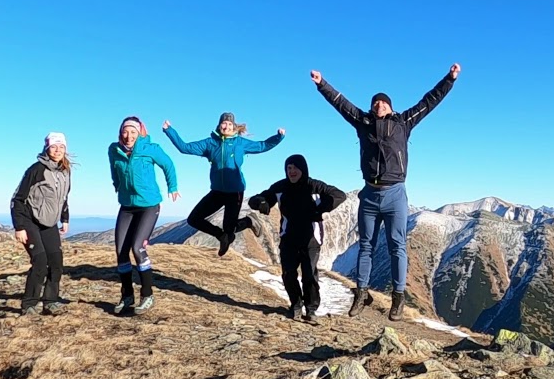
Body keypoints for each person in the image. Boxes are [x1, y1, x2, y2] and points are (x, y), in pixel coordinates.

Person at [311, 63, 460, 320]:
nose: (379, 104)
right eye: (375, 102)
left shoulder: (404, 122)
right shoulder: (363, 122)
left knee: (397, 247)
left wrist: (450, 78)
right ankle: (361, 294)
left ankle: (398, 298)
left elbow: (430, 101)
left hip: (395, 195)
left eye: (383, 102)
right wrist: (322, 84)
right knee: (366, 246)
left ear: (390, 107)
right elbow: (341, 104)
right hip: (369, 195)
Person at [162, 113, 285, 256]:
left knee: (229, 229)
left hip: (235, 192)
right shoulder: (210, 143)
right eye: (224, 123)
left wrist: (278, 137)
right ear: (219, 125)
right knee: (194, 219)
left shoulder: (240, 143)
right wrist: (169, 130)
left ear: (234, 127)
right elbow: (184, 148)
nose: (226, 126)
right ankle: (221, 236)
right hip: (217, 192)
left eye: (229, 124)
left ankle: (248, 221)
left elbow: (262, 146)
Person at [248, 154, 346, 323]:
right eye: (289, 168)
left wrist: (322, 208)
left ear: (303, 169)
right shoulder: (280, 187)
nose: (292, 171)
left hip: (311, 239)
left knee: (309, 275)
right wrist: (261, 203)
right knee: (288, 273)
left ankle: (311, 309)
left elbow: (339, 195)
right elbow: (257, 199)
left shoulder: (315, 186)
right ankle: (295, 305)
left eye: (295, 168)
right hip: (289, 237)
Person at [108, 116, 179, 316]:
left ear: (140, 132)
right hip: (127, 206)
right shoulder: (114, 150)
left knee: (137, 248)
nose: (129, 136)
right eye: (125, 131)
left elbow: (168, 165)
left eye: (133, 132)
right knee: (121, 252)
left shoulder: (150, 148)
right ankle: (127, 295)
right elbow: (113, 169)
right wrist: (117, 185)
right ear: (120, 132)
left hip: (149, 205)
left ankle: (147, 294)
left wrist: (172, 186)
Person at [10, 131, 73, 316]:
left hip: (49, 223)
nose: (58, 150)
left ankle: (50, 302)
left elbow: (63, 197)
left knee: (56, 262)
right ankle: (29, 304)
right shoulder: (36, 170)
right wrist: (19, 226)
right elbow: (17, 199)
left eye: (61, 147)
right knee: (40, 261)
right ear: (47, 148)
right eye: (54, 146)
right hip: (30, 221)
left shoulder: (65, 171)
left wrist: (65, 218)